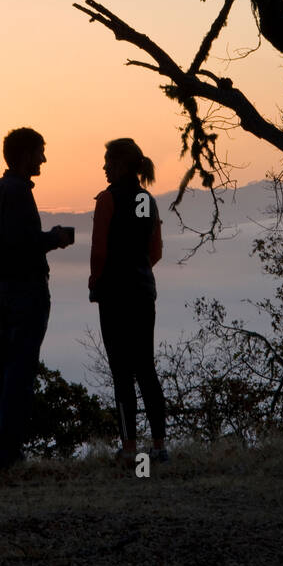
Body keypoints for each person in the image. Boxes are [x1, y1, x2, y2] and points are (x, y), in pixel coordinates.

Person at [0, 127, 73, 470]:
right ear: (24, 155)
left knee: (4, 370)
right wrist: (55, 239)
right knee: (20, 371)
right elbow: (23, 244)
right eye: (40, 152)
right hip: (24, 292)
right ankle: (9, 454)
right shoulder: (17, 192)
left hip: (2, 293)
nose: (44, 159)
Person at [89, 137, 168, 465]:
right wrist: (138, 271)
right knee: (146, 367)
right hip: (142, 293)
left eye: (108, 161)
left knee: (121, 371)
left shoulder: (107, 200)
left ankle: (130, 446)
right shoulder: (147, 200)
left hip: (114, 296)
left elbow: (99, 251)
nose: (104, 167)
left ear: (120, 165)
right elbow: (155, 251)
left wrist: (97, 283)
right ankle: (160, 446)